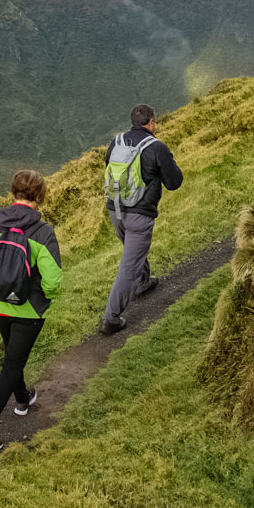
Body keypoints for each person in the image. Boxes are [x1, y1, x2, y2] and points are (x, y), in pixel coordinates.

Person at [0, 170, 62, 450]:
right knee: (12, 364)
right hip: (28, 311)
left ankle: (23, 397)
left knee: (12, 357)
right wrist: (48, 298)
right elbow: (53, 280)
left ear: (14, 193)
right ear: (40, 197)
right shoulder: (43, 232)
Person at [99, 104, 182, 335]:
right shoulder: (157, 147)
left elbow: (109, 168)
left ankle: (143, 283)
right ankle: (111, 318)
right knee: (129, 267)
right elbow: (174, 182)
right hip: (140, 215)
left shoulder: (116, 142)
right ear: (152, 122)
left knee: (132, 254)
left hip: (115, 210)